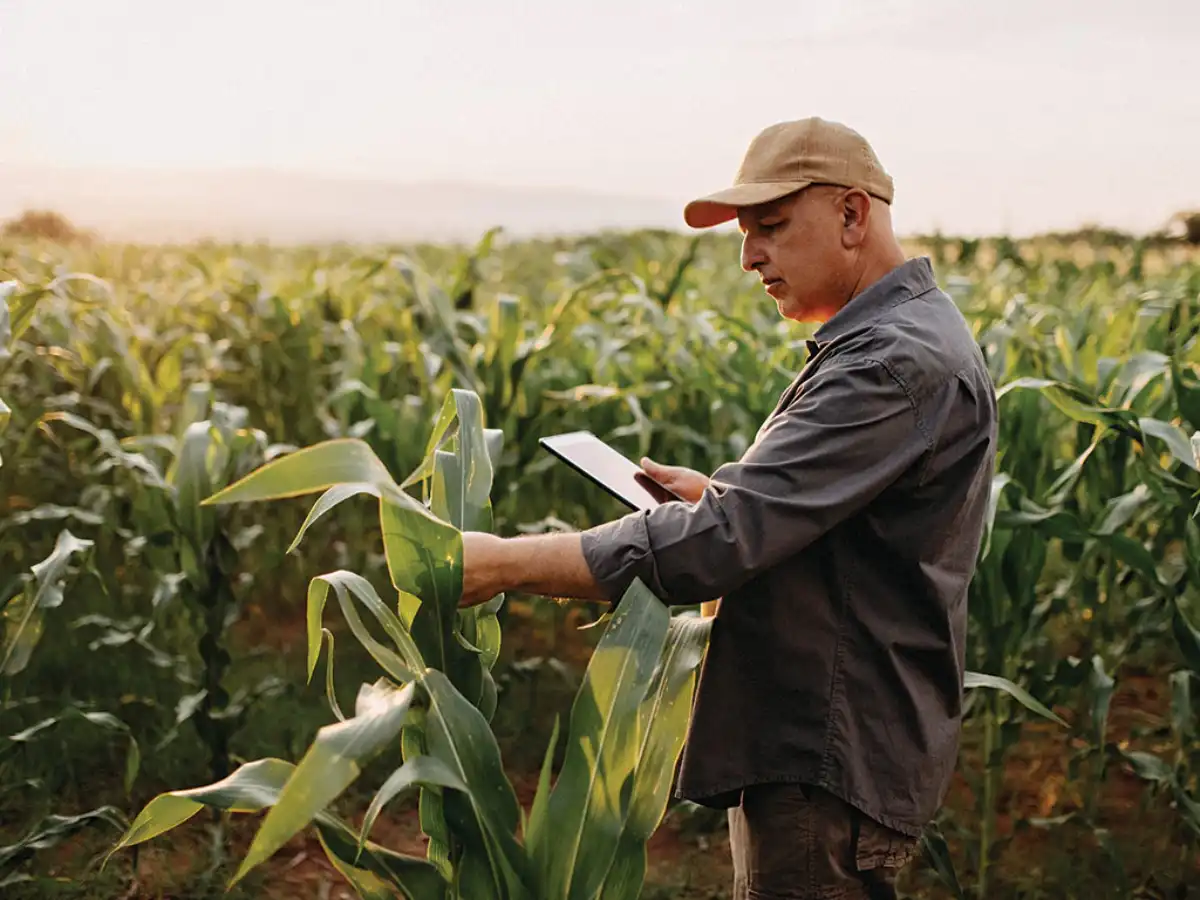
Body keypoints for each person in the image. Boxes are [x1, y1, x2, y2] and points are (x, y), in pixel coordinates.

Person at [458, 117, 998, 899]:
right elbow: (842, 527)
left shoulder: (889, 362)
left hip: (825, 749)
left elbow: (714, 547)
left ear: (852, 215)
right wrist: (722, 497)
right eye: (747, 235)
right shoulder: (891, 341)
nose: (750, 258)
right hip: (822, 736)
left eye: (771, 228)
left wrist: (503, 564)